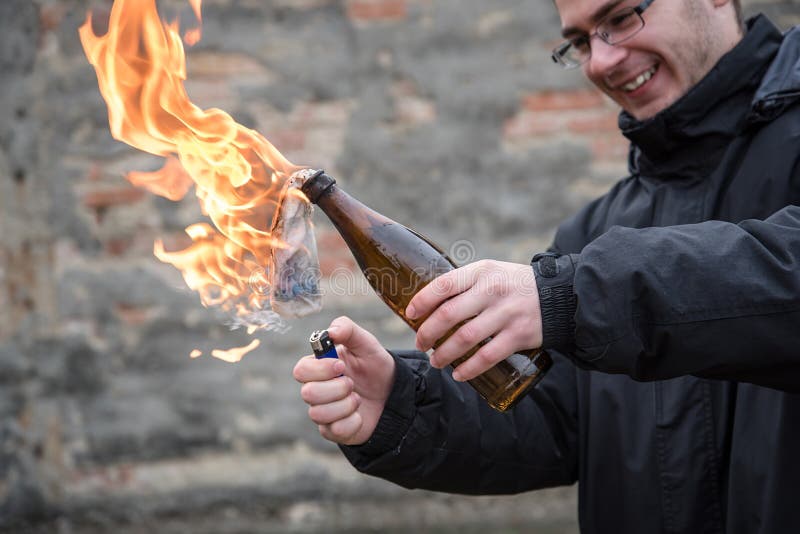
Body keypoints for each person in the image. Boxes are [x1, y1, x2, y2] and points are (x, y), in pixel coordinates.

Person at [294, 0, 800, 531]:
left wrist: (577, 296)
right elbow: (553, 421)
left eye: (623, 17)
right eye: (580, 42)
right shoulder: (594, 232)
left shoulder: (585, 272)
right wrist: (401, 404)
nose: (601, 62)